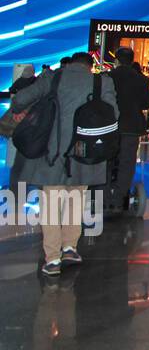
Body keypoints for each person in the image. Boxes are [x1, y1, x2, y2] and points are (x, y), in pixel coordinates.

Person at [10, 51, 119, 276]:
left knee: (51, 204)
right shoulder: (102, 81)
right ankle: (70, 247)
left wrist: (18, 110)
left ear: (70, 64)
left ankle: (52, 259)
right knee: (75, 200)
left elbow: (21, 99)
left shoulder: (53, 77)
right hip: (86, 154)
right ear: (90, 66)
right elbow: (114, 114)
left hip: (54, 153)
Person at [107, 47, 149, 217]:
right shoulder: (141, 79)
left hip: (110, 126)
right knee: (127, 162)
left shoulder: (107, 77)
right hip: (131, 127)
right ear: (132, 60)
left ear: (116, 60)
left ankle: (104, 196)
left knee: (107, 161)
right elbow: (146, 103)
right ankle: (119, 200)